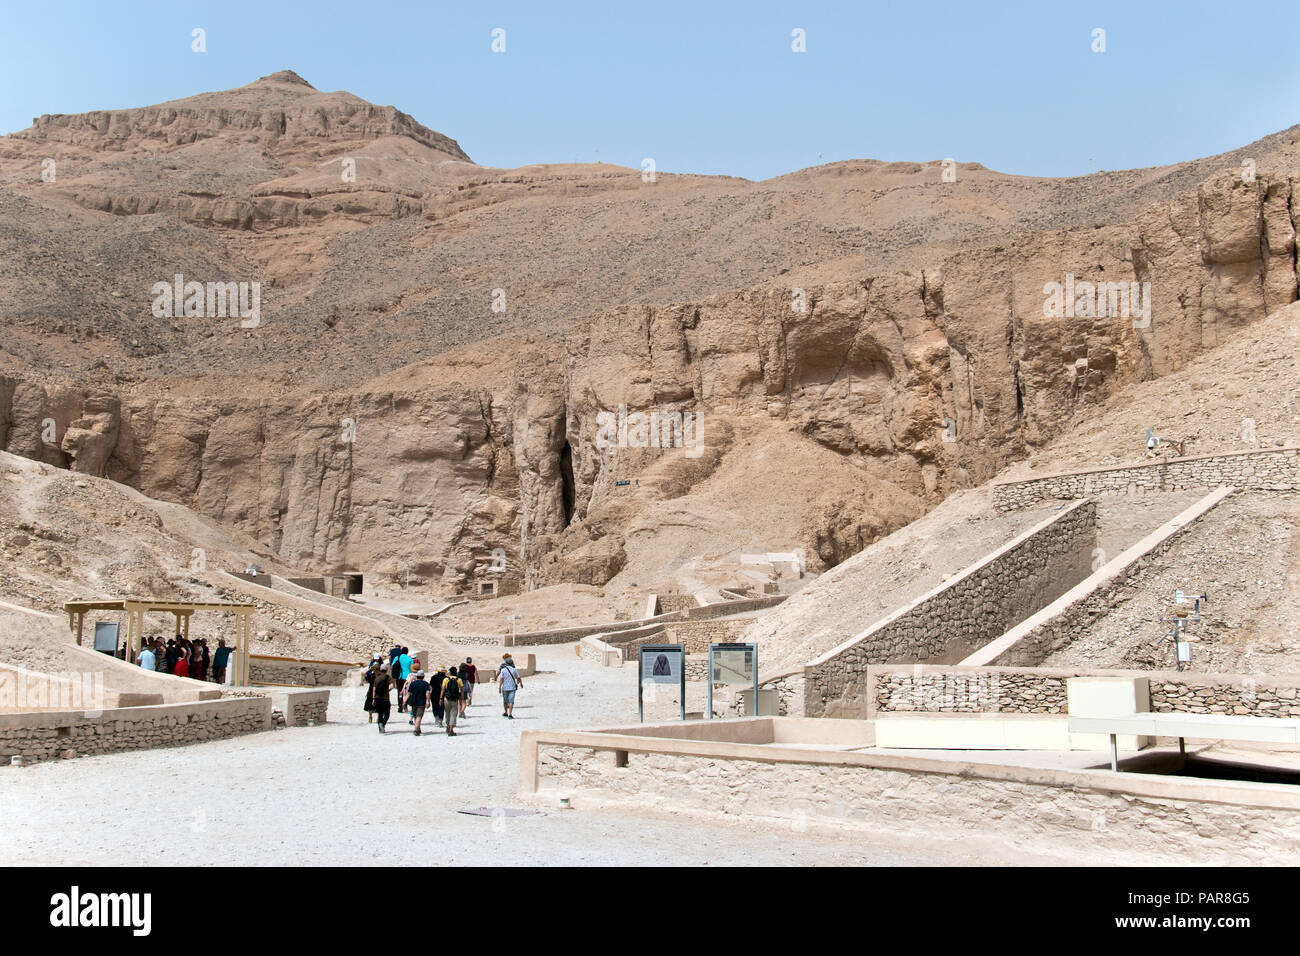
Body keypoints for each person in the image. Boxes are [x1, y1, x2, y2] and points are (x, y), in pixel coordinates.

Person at [405, 670, 432, 736]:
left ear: (417, 676)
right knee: (419, 716)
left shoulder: (412, 683)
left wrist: (404, 701)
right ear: (423, 676)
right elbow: (428, 692)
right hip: (421, 702)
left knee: (415, 716)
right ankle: (416, 729)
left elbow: (408, 693)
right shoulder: (425, 684)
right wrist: (428, 701)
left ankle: (418, 728)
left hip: (413, 701)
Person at [498, 654, 522, 718]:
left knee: (505, 701)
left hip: (505, 687)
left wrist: (500, 687)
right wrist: (521, 683)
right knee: (511, 701)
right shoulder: (514, 669)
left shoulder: (503, 670)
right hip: (512, 687)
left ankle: (506, 712)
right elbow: (518, 677)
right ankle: (510, 714)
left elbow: (501, 679)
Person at [440, 666, 462, 736]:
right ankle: (451, 730)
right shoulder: (459, 680)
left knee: (447, 713)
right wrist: (461, 698)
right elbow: (462, 690)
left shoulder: (446, 679)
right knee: (453, 714)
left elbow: (443, 689)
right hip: (455, 699)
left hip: (447, 699)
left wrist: (441, 698)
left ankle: (447, 726)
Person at [371, 663, 392, 733]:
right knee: (387, 714)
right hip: (385, 698)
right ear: (386, 670)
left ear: (380, 670)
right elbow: (391, 686)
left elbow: (374, 689)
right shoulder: (388, 677)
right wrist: (387, 690)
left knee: (380, 714)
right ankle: (382, 724)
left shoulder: (377, 679)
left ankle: (380, 728)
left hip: (377, 698)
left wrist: (373, 699)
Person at [362, 654, 382, 723]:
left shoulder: (372, 676)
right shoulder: (375, 676)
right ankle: (373, 717)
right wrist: (370, 669)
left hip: (373, 691)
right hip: (376, 691)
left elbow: (364, 673)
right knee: (375, 704)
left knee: (372, 704)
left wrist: (370, 669)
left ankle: (372, 717)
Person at [394, 647, 412, 713]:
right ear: (407, 652)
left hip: (399, 677)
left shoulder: (397, 658)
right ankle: (405, 705)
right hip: (407, 678)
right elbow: (412, 668)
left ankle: (400, 707)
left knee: (399, 692)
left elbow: (393, 666)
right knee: (407, 692)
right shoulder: (410, 659)